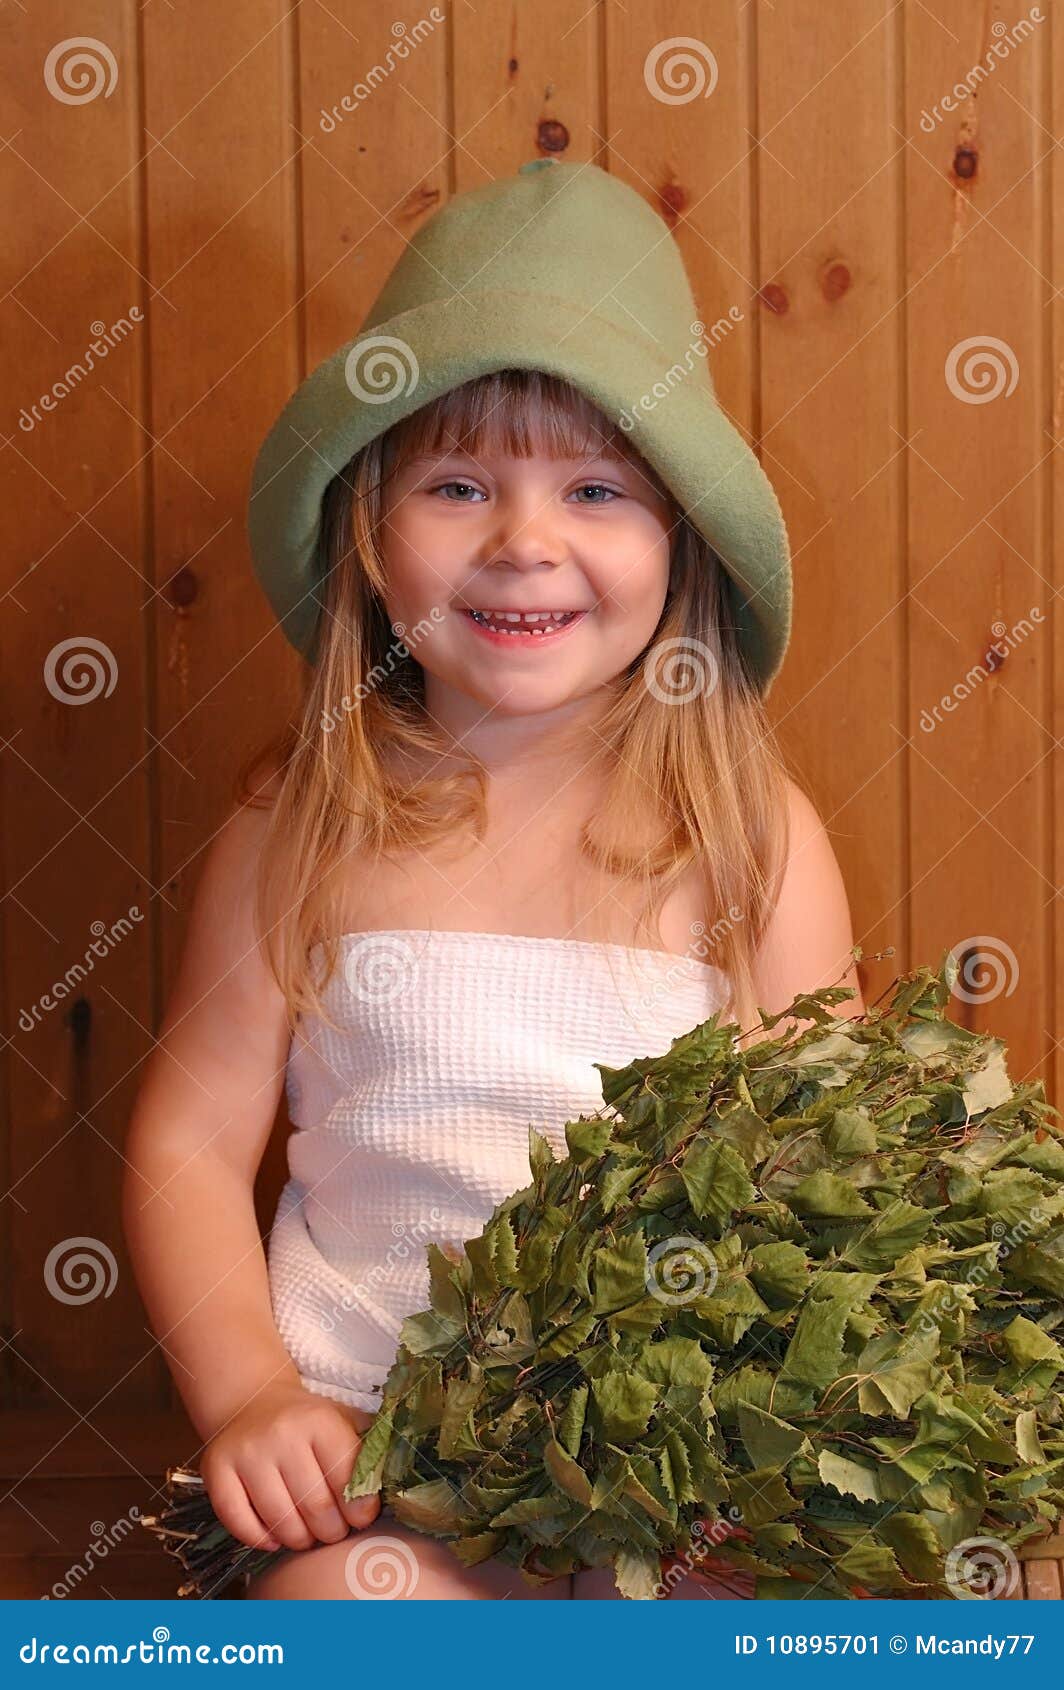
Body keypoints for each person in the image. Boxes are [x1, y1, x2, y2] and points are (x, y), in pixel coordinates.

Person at [122, 159, 864, 1602]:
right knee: (351, 1613)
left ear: (679, 544)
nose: (525, 539)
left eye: (595, 487)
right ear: (368, 528)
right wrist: (251, 1403)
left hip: (666, 1474)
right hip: (372, 1473)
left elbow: (821, 1178)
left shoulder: (748, 832)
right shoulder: (300, 823)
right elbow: (189, 1144)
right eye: (459, 484)